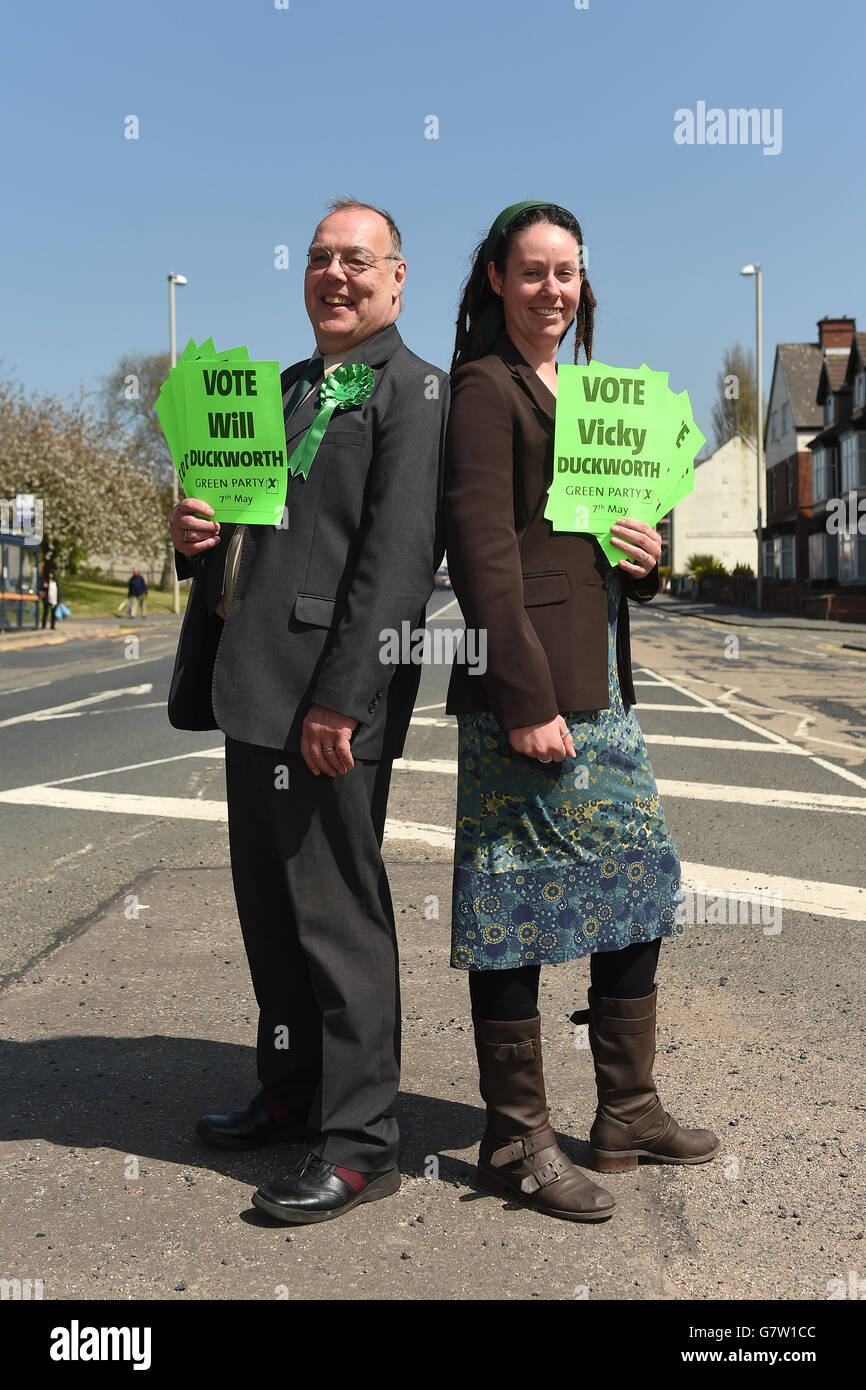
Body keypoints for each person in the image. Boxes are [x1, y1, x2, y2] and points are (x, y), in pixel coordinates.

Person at [167, 198, 449, 1224]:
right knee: (272, 914)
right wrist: (192, 534)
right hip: (252, 688)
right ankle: (289, 1091)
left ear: (396, 277)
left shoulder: (414, 391)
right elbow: (246, 532)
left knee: (338, 920)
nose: (334, 274)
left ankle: (360, 1135)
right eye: (321, 258)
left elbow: (396, 562)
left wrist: (343, 696)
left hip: (330, 699)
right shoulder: (280, 389)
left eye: (355, 260)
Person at [443, 201, 719, 1223]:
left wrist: (647, 557)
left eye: (566, 273)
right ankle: (514, 1139)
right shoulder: (482, 388)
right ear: (494, 283)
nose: (550, 289)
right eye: (531, 272)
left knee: (637, 884)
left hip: (600, 682)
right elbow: (479, 552)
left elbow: (609, 545)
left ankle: (625, 1112)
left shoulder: (596, 398)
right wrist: (521, 700)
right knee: (512, 909)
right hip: (528, 689)